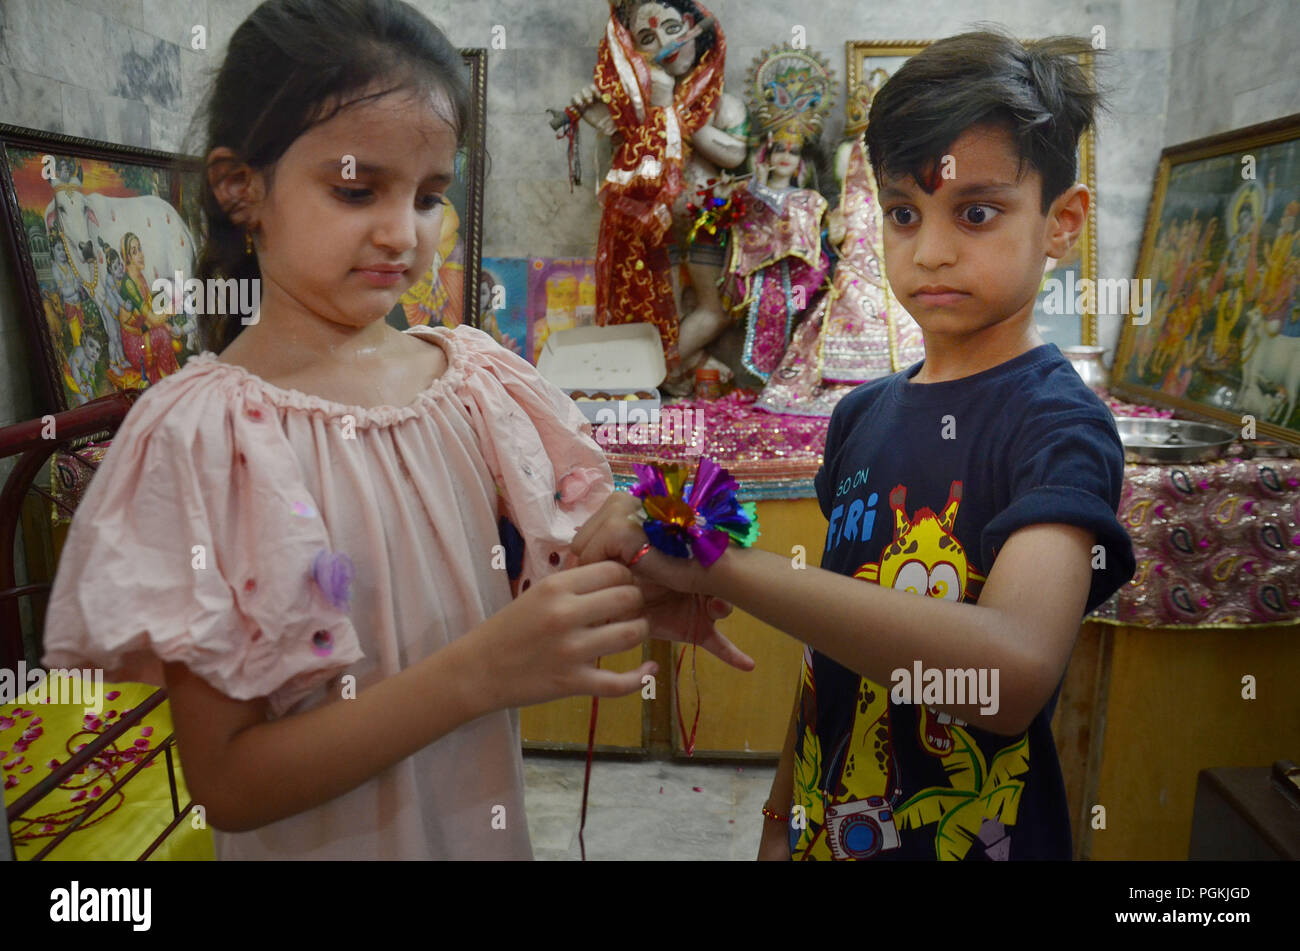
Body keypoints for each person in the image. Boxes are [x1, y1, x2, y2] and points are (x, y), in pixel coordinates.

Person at [41, 0, 750, 861]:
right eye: (355, 189)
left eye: (428, 196)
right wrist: (482, 671)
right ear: (240, 187)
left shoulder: (475, 384)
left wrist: (626, 593)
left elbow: (511, 581)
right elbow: (230, 784)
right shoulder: (205, 439)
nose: (401, 233)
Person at [573, 29, 1136, 861]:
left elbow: (1007, 679)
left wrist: (718, 563)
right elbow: (833, 648)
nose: (932, 250)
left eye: (976, 213)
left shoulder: (1056, 425)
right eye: (905, 213)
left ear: (1062, 224)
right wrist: (778, 819)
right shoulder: (860, 417)